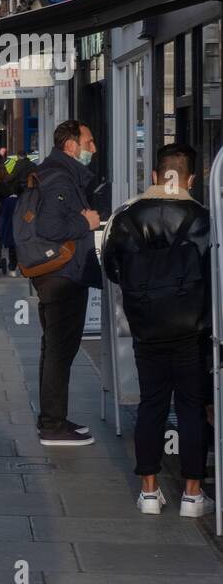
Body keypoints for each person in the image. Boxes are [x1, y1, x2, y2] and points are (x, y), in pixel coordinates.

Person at [102, 144, 215, 518]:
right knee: (191, 407)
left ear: (154, 176)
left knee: (151, 404)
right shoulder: (203, 217)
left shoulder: (128, 216)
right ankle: (192, 494)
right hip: (191, 328)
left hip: (146, 325)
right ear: (192, 179)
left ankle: (149, 491)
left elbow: (112, 267)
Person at [24, 120, 102, 447]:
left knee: (55, 348)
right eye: (89, 140)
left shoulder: (57, 173)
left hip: (56, 275)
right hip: (63, 276)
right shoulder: (60, 177)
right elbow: (51, 226)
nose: (94, 148)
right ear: (71, 145)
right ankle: (54, 426)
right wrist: (85, 223)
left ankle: (53, 418)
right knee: (59, 350)